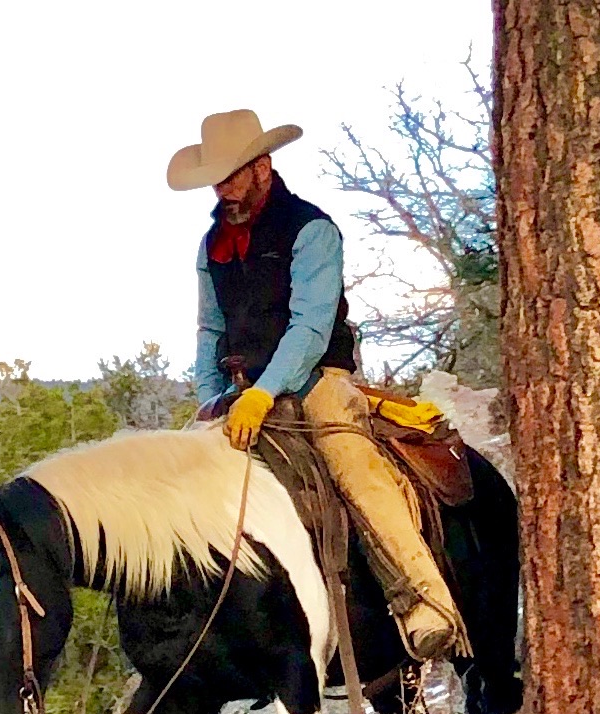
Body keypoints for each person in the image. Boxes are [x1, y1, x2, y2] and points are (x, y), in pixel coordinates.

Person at [167, 109, 465, 660]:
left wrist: (266, 391)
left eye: (231, 177)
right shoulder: (212, 246)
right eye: (216, 181)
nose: (223, 191)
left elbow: (311, 326)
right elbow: (210, 328)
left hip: (316, 379)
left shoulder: (311, 230)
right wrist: (211, 396)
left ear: (262, 168)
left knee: (356, 467)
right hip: (239, 390)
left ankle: (425, 602)